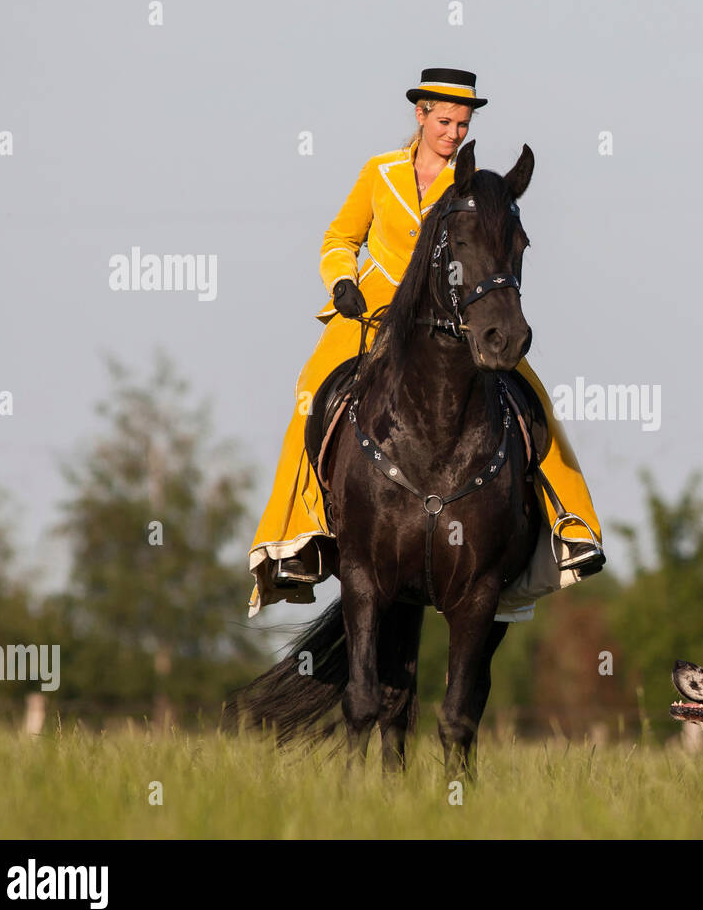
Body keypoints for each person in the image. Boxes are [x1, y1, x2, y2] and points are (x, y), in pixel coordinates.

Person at [246, 67, 604, 618]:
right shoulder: (379, 172)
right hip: (371, 312)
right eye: (444, 121)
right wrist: (342, 279)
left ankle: (569, 522)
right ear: (420, 115)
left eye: (463, 124)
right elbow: (340, 236)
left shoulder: (474, 186)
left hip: (450, 317)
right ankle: (302, 537)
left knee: (532, 395)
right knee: (309, 394)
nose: (454, 133)